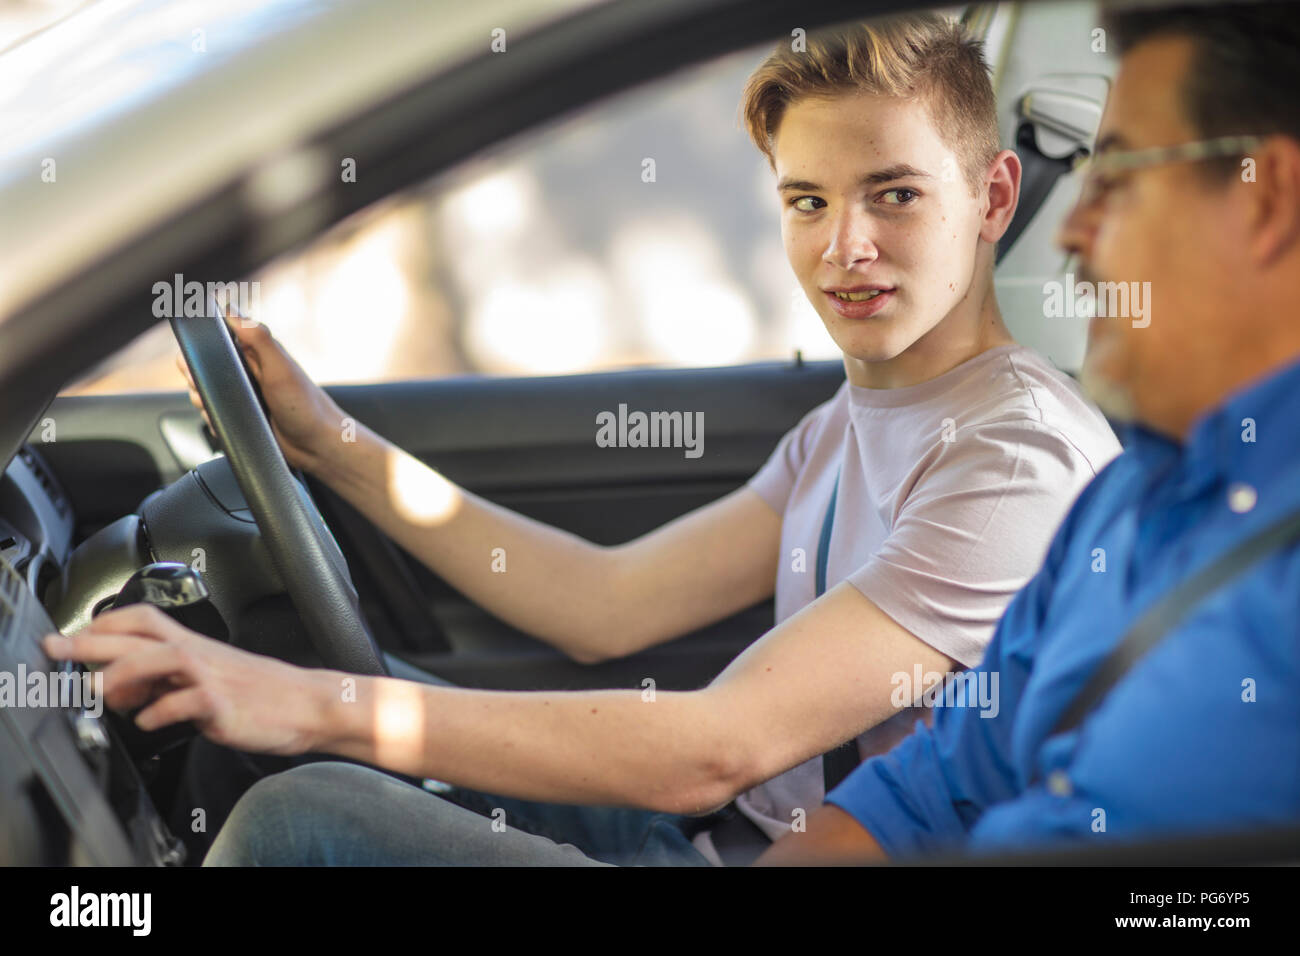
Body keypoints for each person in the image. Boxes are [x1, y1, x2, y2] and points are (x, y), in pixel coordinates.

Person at [43, 14, 1120, 866]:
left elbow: (714, 748)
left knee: (300, 815)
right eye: (807, 200)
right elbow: (606, 606)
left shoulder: (1009, 465)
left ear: (990, 196)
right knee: (310, 683)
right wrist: (333, 445)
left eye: (893, 195)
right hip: (712, 838)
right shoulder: (855, 419)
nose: (845, 248)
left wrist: (310, 710)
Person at [756, 0, 1300, 865]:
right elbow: (923, 790)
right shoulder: (1125, 498)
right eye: (806, 201)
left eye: (1117, 180)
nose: (1076, 232)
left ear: (1264, 198)